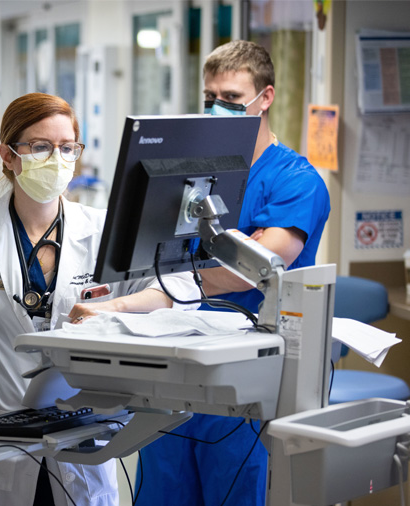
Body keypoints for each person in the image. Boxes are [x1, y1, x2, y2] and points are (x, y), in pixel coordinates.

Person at [0, 92, 200, 506]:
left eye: (66, 148)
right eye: (40, 147)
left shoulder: (102, 232)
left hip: (81, 437)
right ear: (8, 155)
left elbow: (181, 288)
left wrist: (114, 306)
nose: (56, 159)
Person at [136, 40, 331, 506]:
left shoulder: (296, 181)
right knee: (164, 491)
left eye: (230, 99)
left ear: (265, 98)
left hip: (251, 373)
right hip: (180, 362)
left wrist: (175, 280)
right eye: (209, 99)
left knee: (235, 491)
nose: (216, 109)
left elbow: (251, 273)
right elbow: (153, 249)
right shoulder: (194, 173)